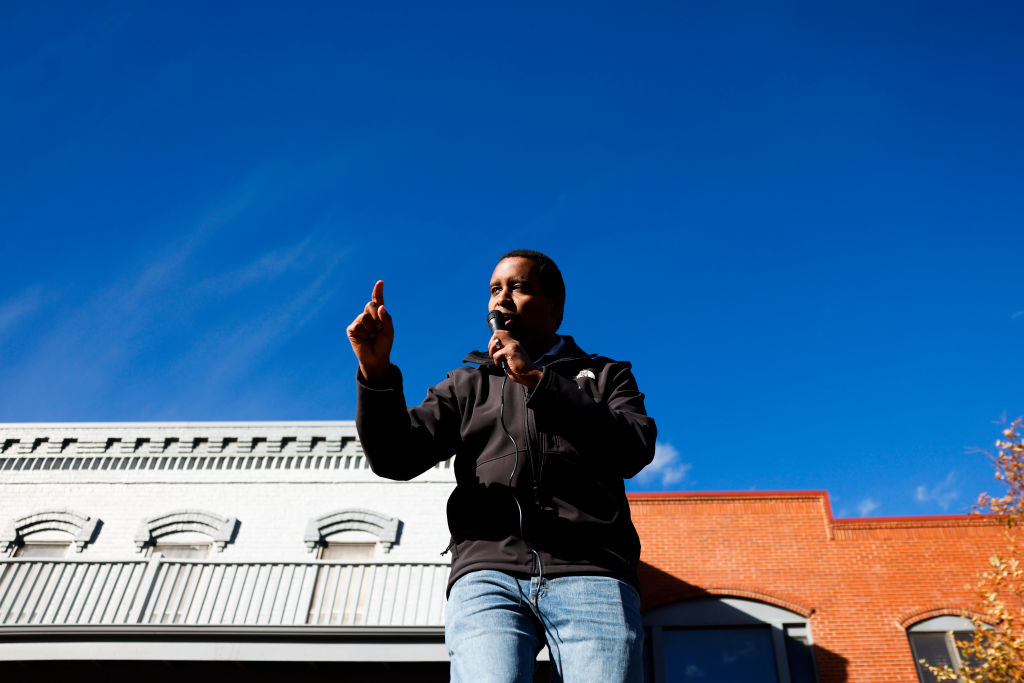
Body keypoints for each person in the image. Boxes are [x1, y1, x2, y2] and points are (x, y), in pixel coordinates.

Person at [347, 249, 656, 682]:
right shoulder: (466, 384)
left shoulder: (605, 375)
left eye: (519, 287)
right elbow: (395, 457)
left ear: (555, 307)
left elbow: (634, 447)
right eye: (495, 289)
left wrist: (539, 381)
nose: (502, 298)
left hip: (592, 570)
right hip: (488, 573)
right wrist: (376, 373)